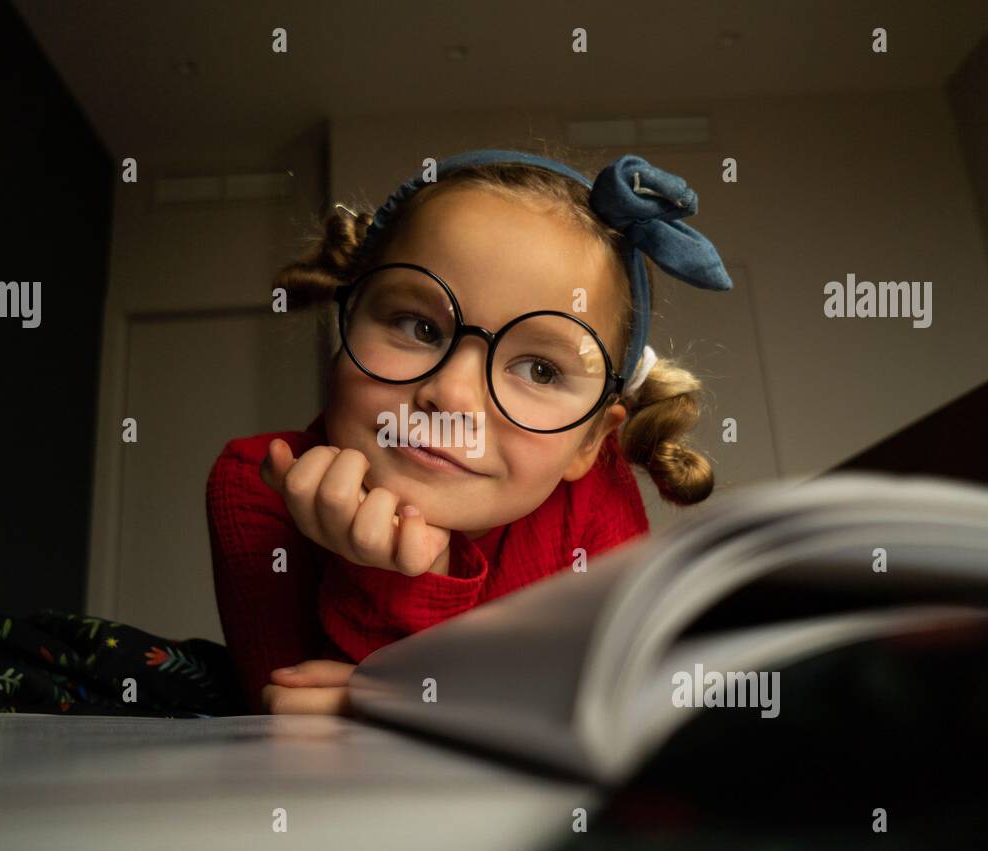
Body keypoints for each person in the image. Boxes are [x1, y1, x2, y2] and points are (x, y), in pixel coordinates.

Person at [206, 147, 732, 715]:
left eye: (539, 370)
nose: (452, 395)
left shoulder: (595, 503)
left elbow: (611, 702)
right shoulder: (257, 486)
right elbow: (287, 703)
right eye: (419, 326)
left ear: (590, 442)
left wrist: (398, 693)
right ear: (348, 313)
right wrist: (396, 581)